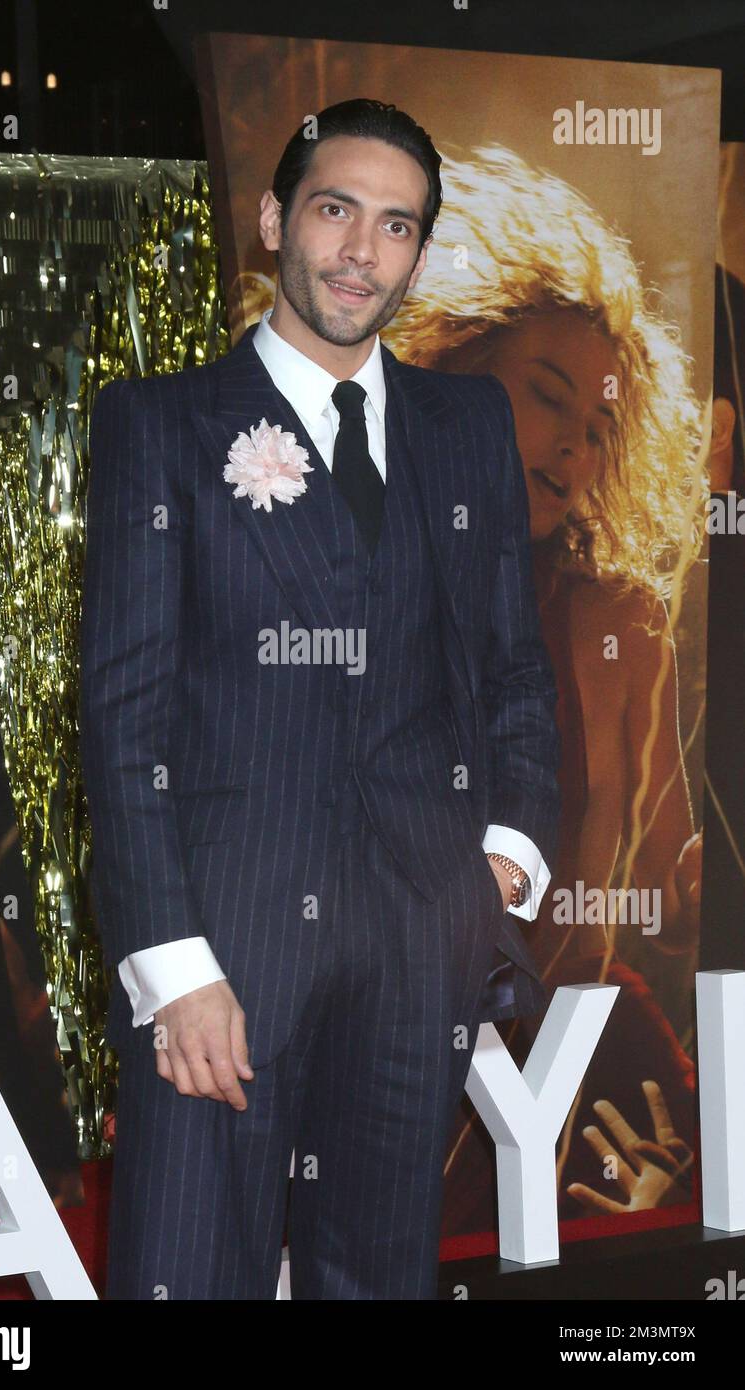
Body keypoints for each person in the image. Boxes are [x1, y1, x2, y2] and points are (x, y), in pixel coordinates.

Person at [79, 100, 561, 1301]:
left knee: (379, 1278)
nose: (360, 252)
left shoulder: (466, 426)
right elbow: (121, 715)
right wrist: (170, 963)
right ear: (271, 220)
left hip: (414, 949)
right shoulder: (163, 425)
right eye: (334, 210)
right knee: (191, 1271)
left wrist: (501, 859)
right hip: (225, 945)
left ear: (416, 251)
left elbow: (511, 663)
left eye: (395, 227)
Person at [381, 146, 705, 1237]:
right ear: (446, 366)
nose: (572, 443)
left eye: (601, 425)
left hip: (576, 1065)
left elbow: (663, 883)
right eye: (546, 398)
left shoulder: (614, 620)